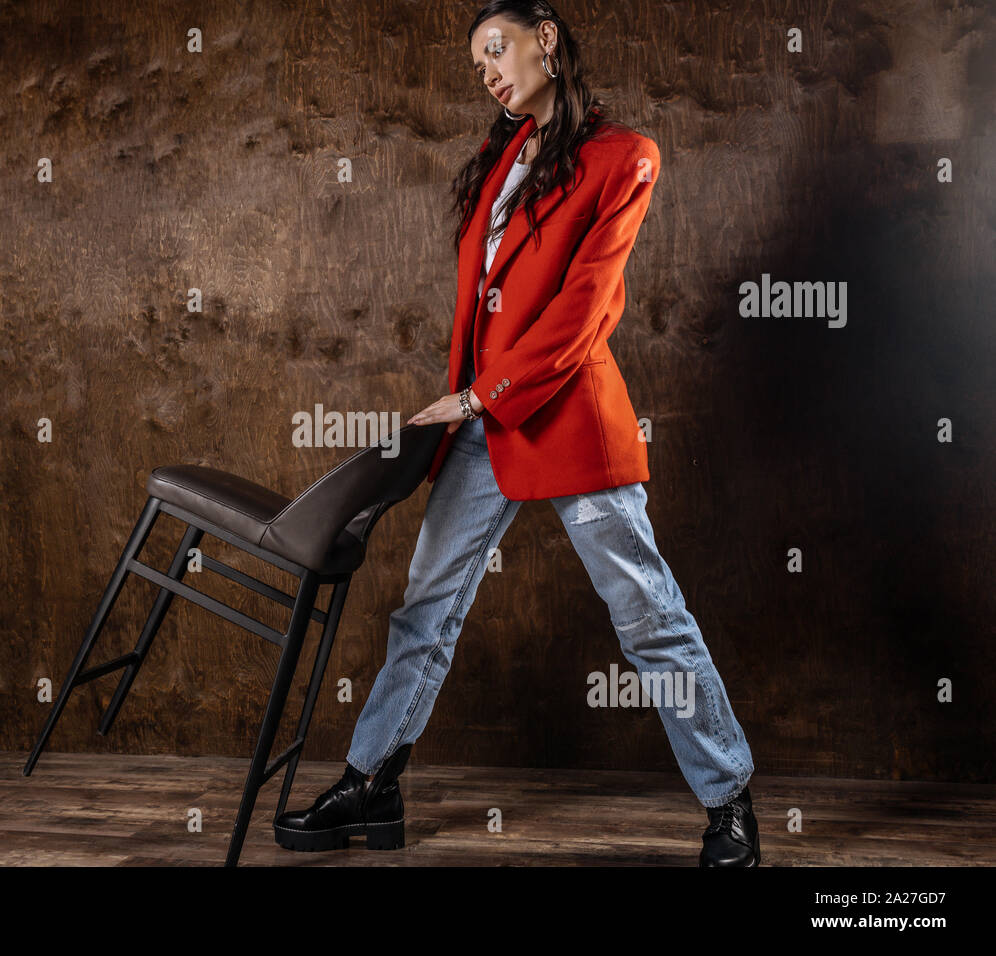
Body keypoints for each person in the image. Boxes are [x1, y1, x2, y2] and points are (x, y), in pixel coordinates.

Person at [274, 0, 759, 866]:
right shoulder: (502, 158)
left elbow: (582, 312)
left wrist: (477, 396)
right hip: (483, 419)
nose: (489, 72)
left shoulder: (625, 157)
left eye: (497, 50)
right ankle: (372, 782)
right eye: (477, 65)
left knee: (648, 615)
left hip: (566, 417)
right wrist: (466, 398)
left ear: (547, 39)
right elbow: (483, 306)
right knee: (426, 606)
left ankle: (729, 800)